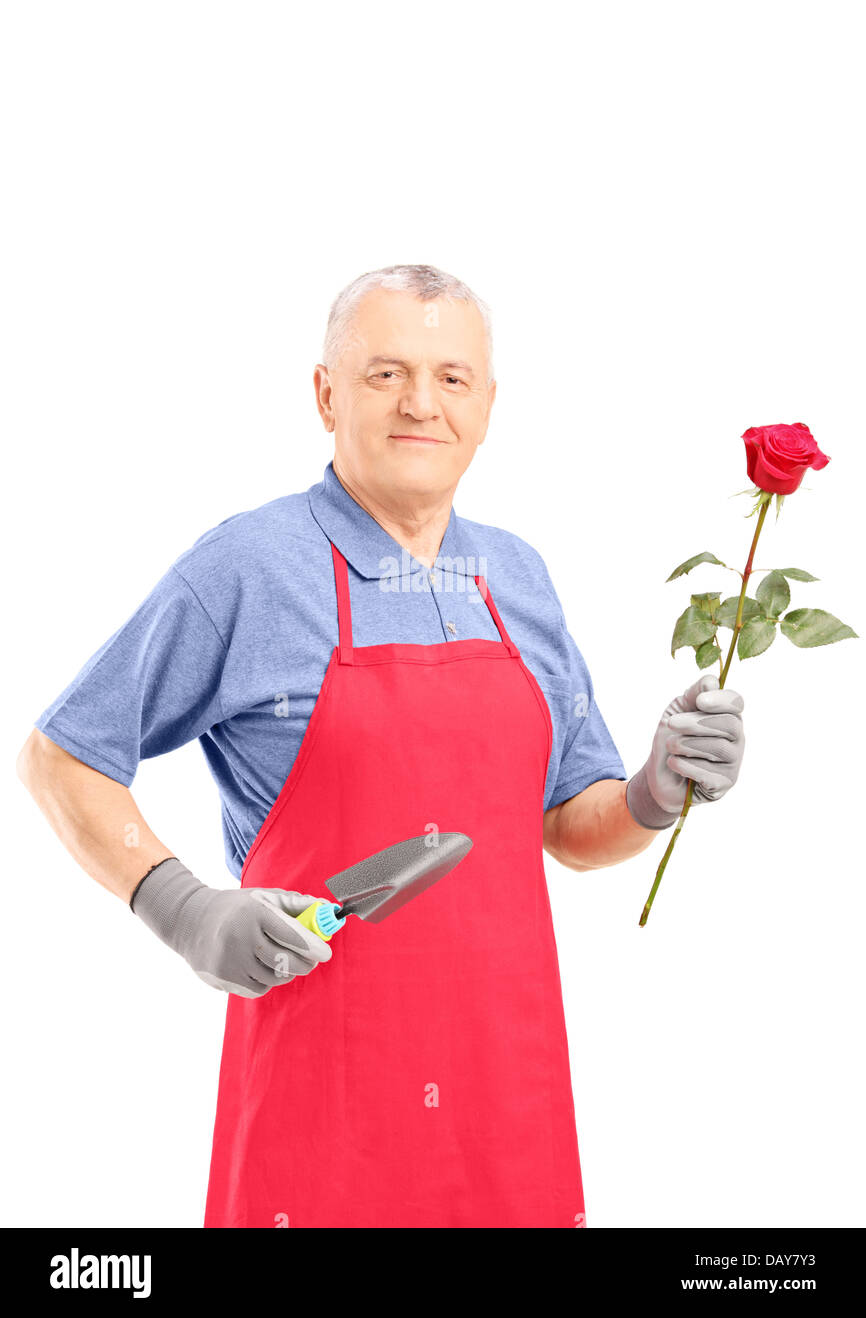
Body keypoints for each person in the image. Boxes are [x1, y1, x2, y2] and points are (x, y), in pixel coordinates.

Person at [17, 263, 745, 1228]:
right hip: (324, 1091)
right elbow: (63, 753)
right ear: (326, 393)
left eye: (452, 378)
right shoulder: (248, 567)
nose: (421, 404)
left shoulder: (516, 574)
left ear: (488, 405)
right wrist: (182, 907)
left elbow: (572, 825)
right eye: (385, 372)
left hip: (506, 1098)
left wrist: (658, 787)